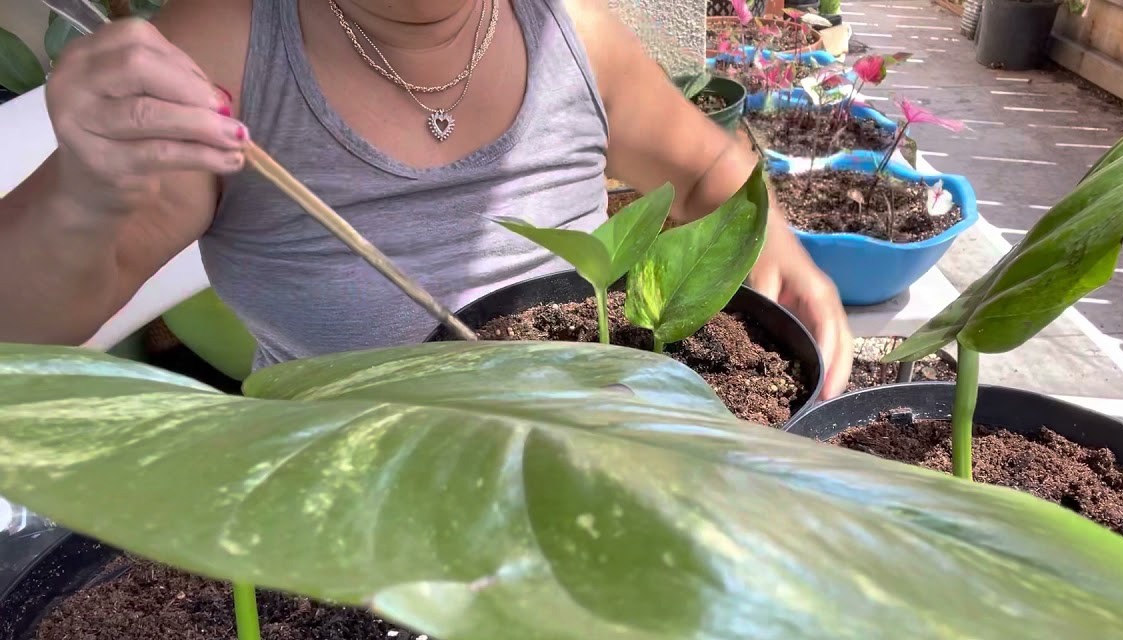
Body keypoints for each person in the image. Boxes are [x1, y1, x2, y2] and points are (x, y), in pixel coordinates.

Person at [0, 0, 855, 397]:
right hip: (345, 528)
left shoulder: (571, 33)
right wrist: (86, 190)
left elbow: (710, 173)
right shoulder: (223, 52)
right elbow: (22, 324)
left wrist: (777, 247)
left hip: (582, 474)